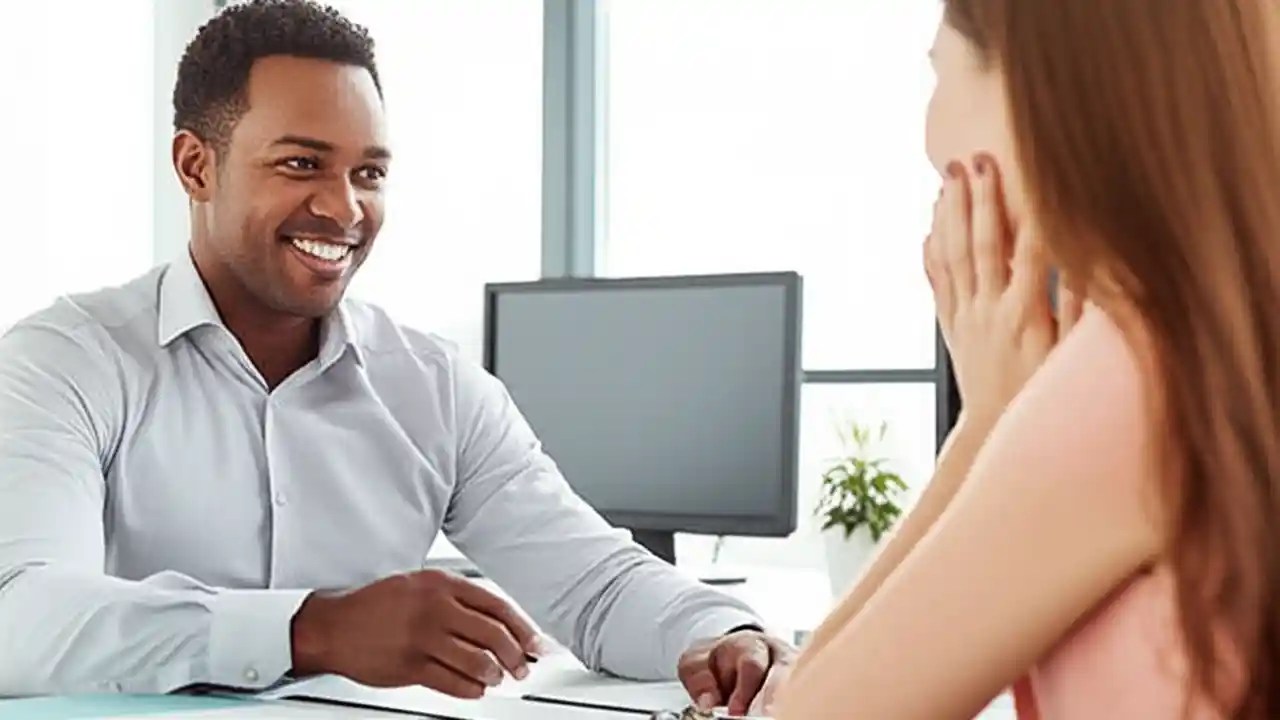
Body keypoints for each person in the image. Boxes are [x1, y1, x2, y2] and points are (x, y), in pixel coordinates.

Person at [0, 1, 794, 713]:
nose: (344, 208)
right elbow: (19, 618)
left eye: (368, 173)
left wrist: (723, 632)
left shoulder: (436, 387)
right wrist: (314, 629)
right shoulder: (66, 363)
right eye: (302, 164)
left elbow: (593, 586)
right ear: (195, 165)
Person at [773, 1, 1280, 719]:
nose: (930, 145)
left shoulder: (1139, 371)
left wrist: (986, 420)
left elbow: (812, 712)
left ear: (1038, 88)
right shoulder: (1222, 332)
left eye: (939, 71)